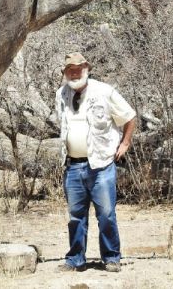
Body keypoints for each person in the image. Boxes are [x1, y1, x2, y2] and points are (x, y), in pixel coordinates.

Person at [55, 52, 136, 273]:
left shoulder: (104, 91)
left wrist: (125, 144)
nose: (74, 72)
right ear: (64, 73)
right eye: (69, 69)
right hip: (72, 166)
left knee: (106, 215)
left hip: (101, 166)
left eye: (78, 68)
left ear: (87, 68)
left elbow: (129, 117)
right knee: (75, 217)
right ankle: (75, 260)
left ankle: (111, 258)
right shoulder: (61, 94)